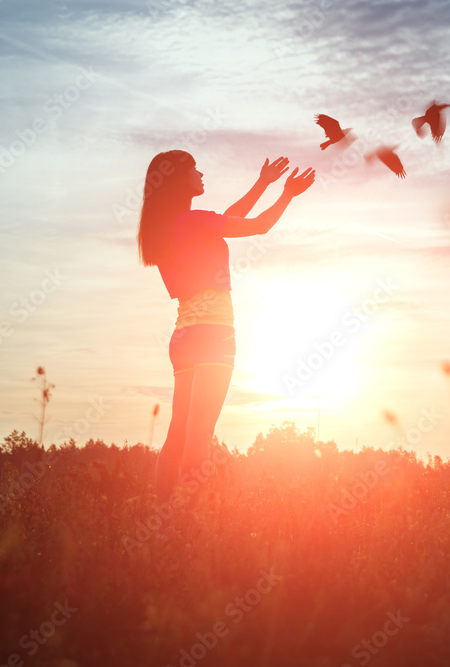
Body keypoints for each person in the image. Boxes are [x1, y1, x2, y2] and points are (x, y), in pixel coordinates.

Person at [137, 150, 315, 525]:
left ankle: (162, 519)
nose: (201, 174)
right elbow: (260, 225)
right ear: (178, 181)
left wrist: (263, 184)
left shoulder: (173, 225)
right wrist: (287, 194)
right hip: (215, 335)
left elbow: (226, 219)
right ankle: (185, 521)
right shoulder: (194, 221)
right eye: (193, 170)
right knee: (199, 434)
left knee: (178, 434)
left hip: (183, 338)